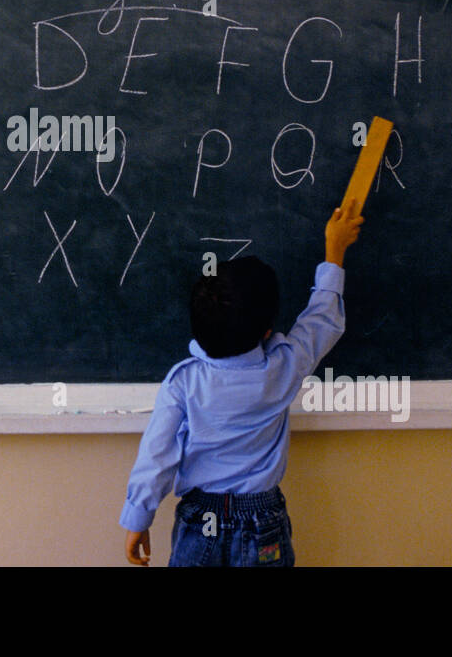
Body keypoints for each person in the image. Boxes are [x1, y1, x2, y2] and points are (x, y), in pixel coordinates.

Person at [120, 197, 365, 566]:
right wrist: (335, 249)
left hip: (201, 518)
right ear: (268, 331)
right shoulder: (285, 367)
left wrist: (139, 517)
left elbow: (156, 456)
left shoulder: (183, 384)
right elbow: (322, 320)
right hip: (261, 521)